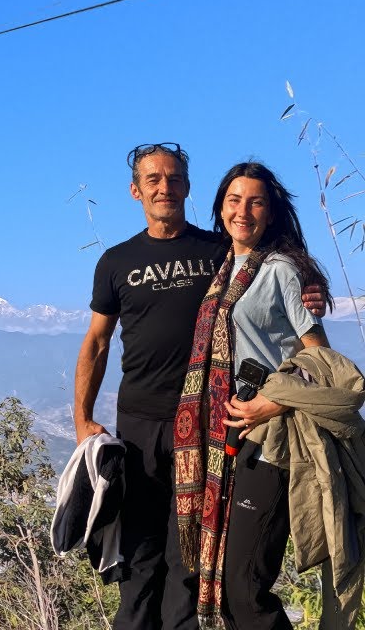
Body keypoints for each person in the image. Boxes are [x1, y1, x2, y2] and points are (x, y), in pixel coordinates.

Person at [72, 144, 324, 629]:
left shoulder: (220, 251)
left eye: (174, 178)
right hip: (138, 426)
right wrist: (82, 420)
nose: (164, 187)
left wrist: (311, 287)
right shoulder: (115, 261)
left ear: (188, 187)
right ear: (136, 190)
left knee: (191, 556)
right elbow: (97, 344)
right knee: (139, 557)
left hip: (211, 427)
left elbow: (272, 270)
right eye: (153, 180)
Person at [173, 162, 329, 628]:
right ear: (220, 206)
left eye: (256, 201)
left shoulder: (282, 270)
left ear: (272, 211)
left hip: (271, 441)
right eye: (234, 200)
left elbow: (322, 363)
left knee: (245, 589)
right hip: (226, 441)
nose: (243, 211)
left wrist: (274, 401)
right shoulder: (223, 266)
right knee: (226, 583)